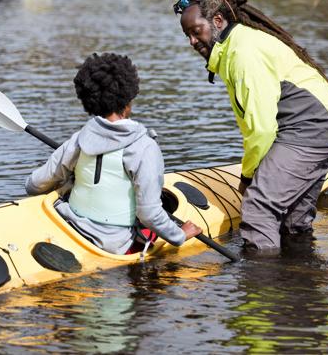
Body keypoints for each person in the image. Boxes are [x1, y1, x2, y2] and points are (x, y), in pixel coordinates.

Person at [174, 0, 328, 251]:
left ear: (218, 21)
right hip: (320, 124)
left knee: (258, 208)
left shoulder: (243, 53)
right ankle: (301, 280)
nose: (192, 41)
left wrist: (248, 177)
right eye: (187, 35)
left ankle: (261, 288)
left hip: (310, 127)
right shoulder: (233, 47)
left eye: (196, 32)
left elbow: (261, 129)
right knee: (293, 220)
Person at [25, 52, 202, 255]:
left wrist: (68, 183)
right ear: (128, 99)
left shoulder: (78, 140)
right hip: (114, 244)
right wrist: (180, 235)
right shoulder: (144, 147)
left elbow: (34, 185)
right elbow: (149, 214)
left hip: (69, 225)